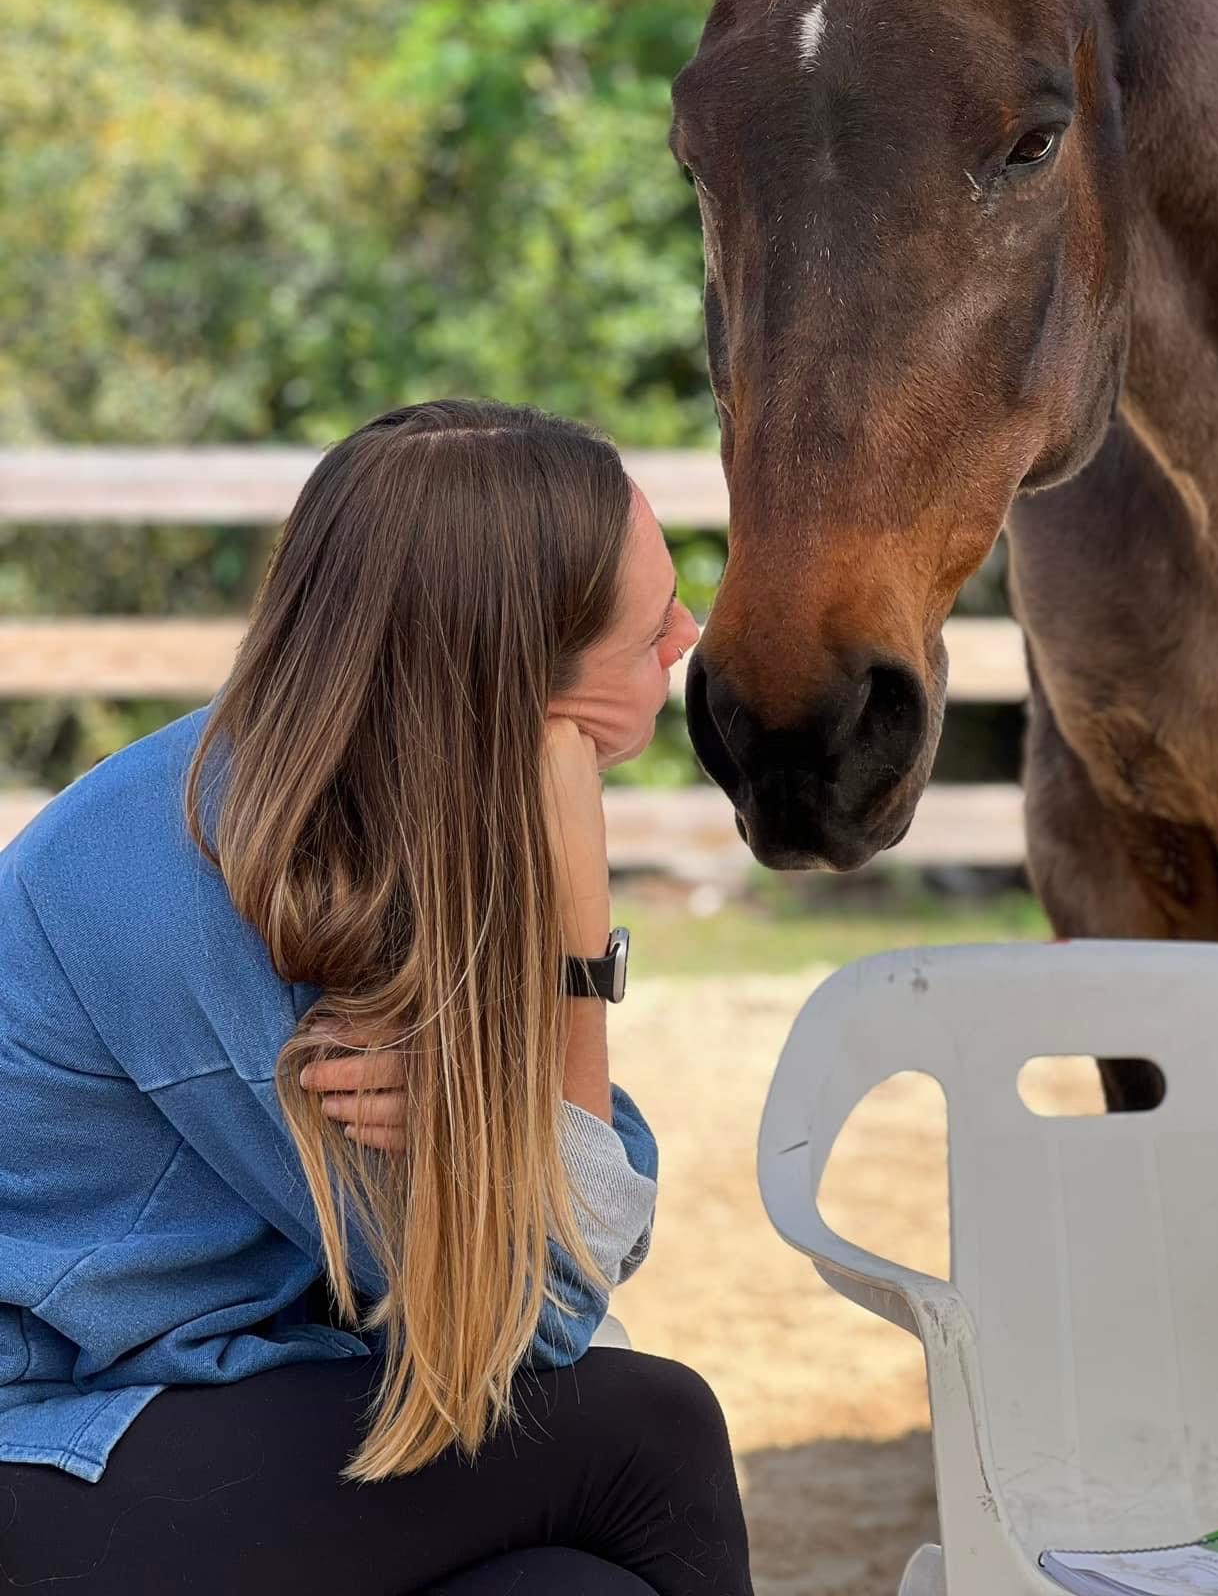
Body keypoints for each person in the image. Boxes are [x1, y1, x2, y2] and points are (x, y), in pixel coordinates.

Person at [0, 399, 754, 1596]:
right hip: (52, 1447)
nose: (687, 633)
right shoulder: (191, 879)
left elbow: (593, 1186)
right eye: (648, 618)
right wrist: (570, 956)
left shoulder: (375, 818)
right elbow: (535, 1318)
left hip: (230, 1388)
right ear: (516, 668)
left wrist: (495, 1110)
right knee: (650, 1429)